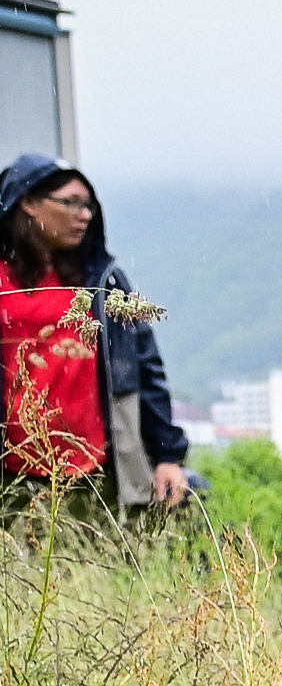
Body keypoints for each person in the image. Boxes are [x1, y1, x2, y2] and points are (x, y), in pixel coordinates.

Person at [0, 157, 193, 512]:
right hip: (13, 475)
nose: (85, 215)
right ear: (28, 203)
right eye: (71, 202)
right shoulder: (3, 281)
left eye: (88, 205)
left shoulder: (103, 281)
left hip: (97, 473)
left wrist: (168, 456)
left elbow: (145, 370)